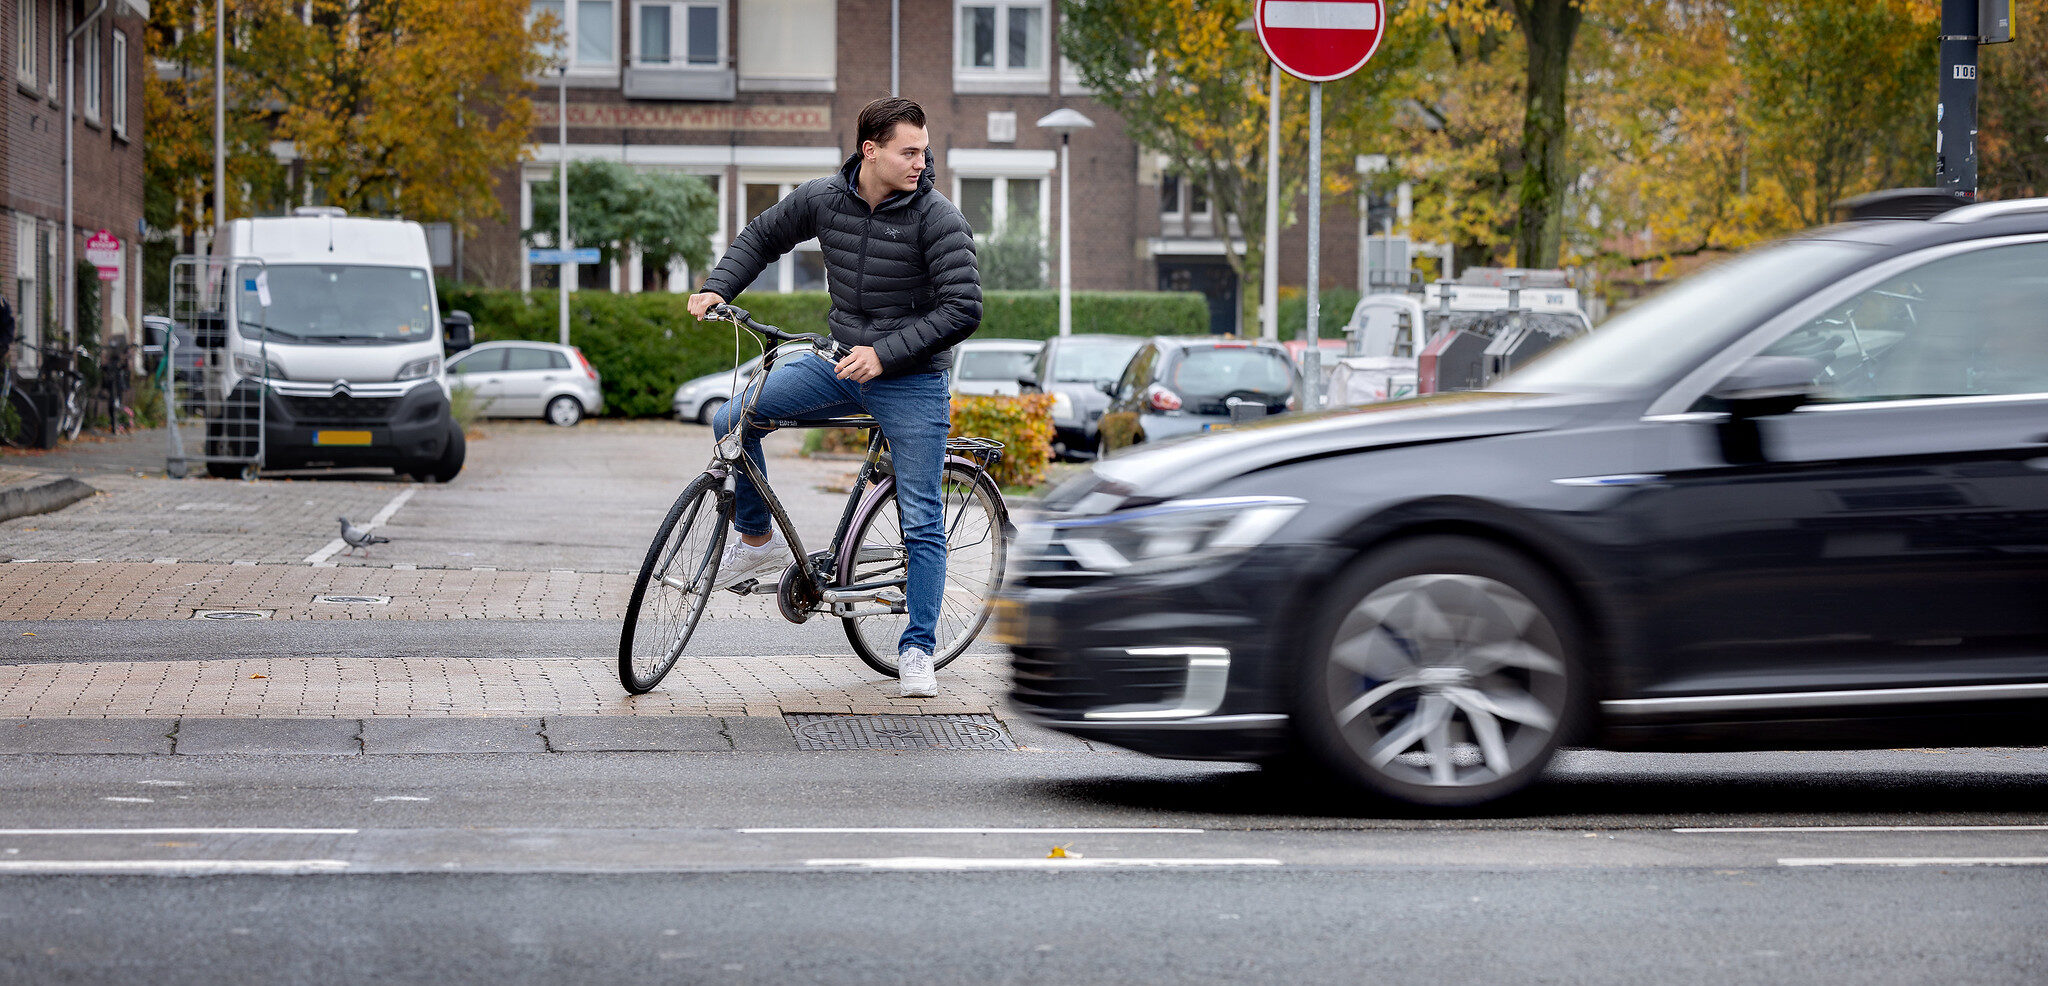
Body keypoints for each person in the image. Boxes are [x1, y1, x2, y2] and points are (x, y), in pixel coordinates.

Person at [687, 97, 982, 699]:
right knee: (733, 416)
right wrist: (717, 287)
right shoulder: (825, 198)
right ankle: (756, 540)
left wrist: (886, 354)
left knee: (921, 515)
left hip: (913, 377)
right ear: (869, 151)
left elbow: (963, 308)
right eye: (909, 151)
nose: (921, 163)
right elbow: (763, 237)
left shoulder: (938, 217)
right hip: (841, 363)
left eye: (925, 151)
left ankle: (919, 648)